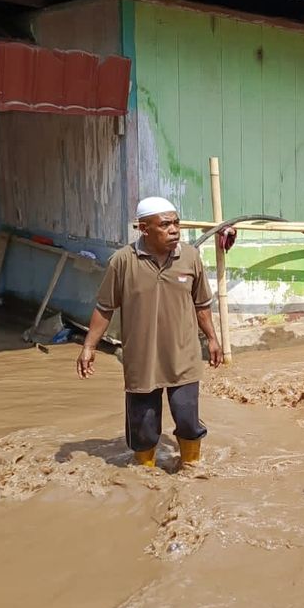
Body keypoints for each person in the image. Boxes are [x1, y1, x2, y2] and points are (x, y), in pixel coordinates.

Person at [77, 196, 223, 468]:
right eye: (165, 224)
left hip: (184, 356)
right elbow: (104, 307)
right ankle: (144, 478)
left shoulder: (190, 257)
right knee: (143, 428)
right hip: (141, 359)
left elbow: (201, 304)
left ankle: (191, 469)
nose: (174, 230)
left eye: (176, 223)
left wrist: (213, 339)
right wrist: (89, 347)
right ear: (143, 228)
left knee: (188, 419)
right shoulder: (122, 261)